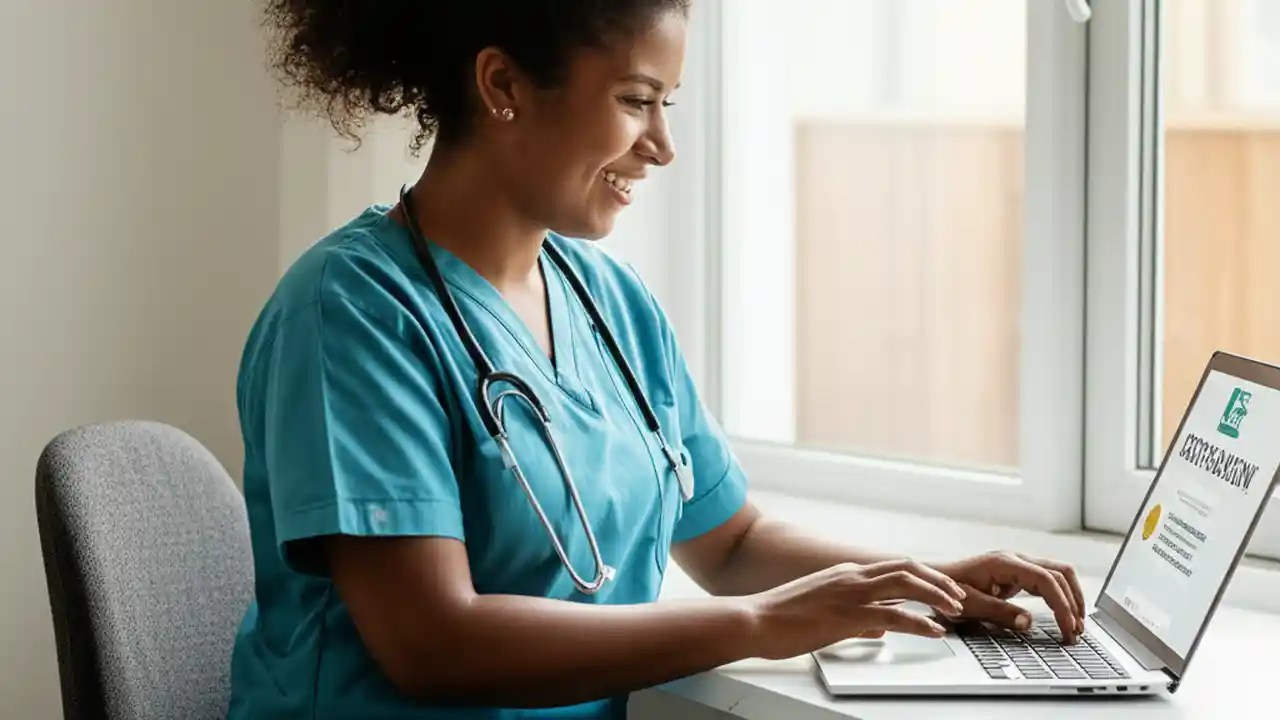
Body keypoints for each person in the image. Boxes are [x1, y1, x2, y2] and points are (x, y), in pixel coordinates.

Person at [227, 1, 1088, 718]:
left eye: (670, 102)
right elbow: (432, 643)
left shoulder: (610, 301)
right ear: (503, 86)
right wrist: (756, 625)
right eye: (638, 100)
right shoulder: (350, 312)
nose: (663, 144)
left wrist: (923, 583)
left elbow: (732, 541)